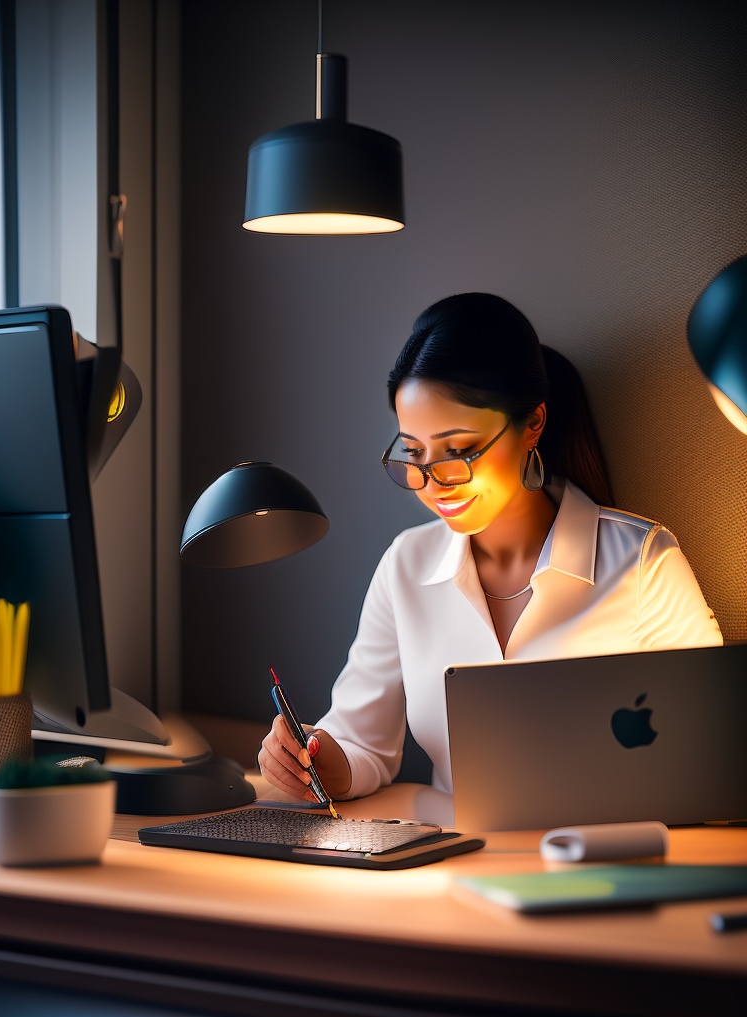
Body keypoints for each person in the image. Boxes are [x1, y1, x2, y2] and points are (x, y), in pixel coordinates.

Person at [258, 293, 722, 803]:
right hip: (452, 864)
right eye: (414, 453)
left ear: (533, 425)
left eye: (459, 451)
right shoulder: (407, 566)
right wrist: (311, 760)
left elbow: (712, 758)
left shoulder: (643, 565)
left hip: (602, 860)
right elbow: (360, 743)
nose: (435, 482)